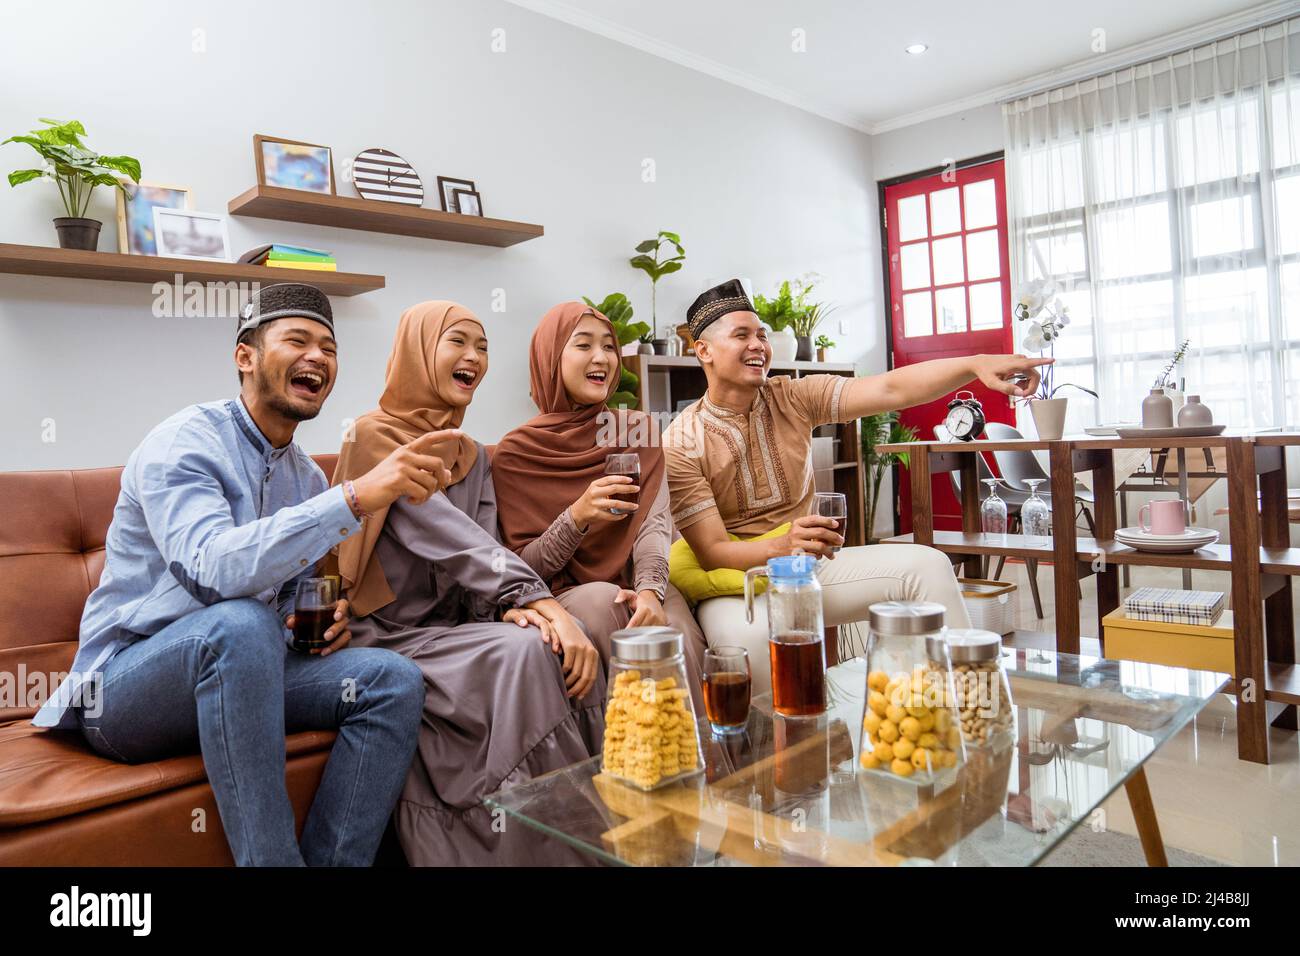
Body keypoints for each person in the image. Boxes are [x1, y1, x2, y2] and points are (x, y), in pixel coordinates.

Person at [32, 282, 437, 866]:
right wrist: (355, 496)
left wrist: (317, 623)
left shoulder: (304, 477)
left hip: (242, 674)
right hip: (123, 691)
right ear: (244, 357)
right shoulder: (184, 443)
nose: (318, 357)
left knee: (391, 679)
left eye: (329, 347)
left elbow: (290, 602)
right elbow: (213, 570)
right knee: (241, 625)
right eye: (297, 340)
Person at [664, 279, 1051, 696]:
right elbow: (713, 551)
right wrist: (780, 546)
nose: (758, 344)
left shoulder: (792, 397)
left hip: (809, 568)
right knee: (752, 643)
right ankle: (777, 758)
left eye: (761, 334)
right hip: (738, 581)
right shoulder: (681, 442)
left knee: (927, 566)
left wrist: (973, 365)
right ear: (703, 350)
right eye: (741, 335)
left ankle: (973, 709)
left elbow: (890, 388)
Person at [333, 300, 605, 867]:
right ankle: (535, 848)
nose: (474, 358)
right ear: (416, 351)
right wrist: (544, 603)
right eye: (456, 341)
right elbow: (454, 540)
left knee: (538, 641)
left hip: (453, 631)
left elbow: (483, 556)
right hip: (382, 636)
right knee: (530, 649)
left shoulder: (472, 455)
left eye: (482, 347)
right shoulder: (373, 438)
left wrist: (514, 608)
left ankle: (584, 840)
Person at [492, 301, 708, 715]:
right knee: (607, 605)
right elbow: (525, 569)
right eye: (583, 345)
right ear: (550, 358)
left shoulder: (638, 430)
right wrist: (577, 517)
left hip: (641, 577)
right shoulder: (515, 454)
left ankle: (700, 769)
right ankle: (627, 764)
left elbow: (653, 527)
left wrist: (650, 592)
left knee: (671, 628)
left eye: (609, 346)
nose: (601, 357)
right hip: (565, 591)